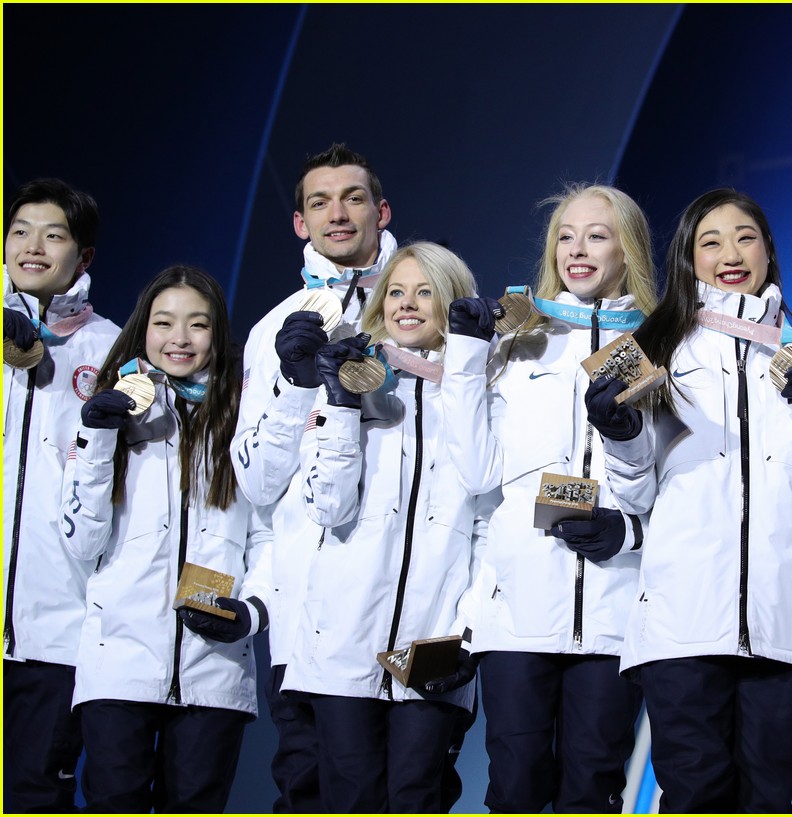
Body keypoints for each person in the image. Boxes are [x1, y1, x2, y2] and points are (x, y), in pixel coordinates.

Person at [588, 188, 792, 812]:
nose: (730, 254)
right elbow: (635, 494)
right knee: (694, 793)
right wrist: (622, 438)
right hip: (685, 622)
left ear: (768, 251)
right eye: (710, 241)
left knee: (769, 798)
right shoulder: (656, 355)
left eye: (745, 237)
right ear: (688, 260)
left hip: (784, 620)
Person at [441, 184, 655, 812]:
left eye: (597, 234)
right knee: (515, 786)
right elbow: (477, 471)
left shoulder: (658, 345)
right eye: (565, 235)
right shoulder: (517, 342)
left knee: (594, 787)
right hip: (519, 613)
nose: (577, 249)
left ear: (628, 247)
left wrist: (631, 534)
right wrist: (464, 356)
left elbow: (678, 483)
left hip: (617, 609)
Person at [279, 242, 484, 811]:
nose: (408, 304)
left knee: (417, 798)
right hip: (343, 645)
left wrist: (468, 634)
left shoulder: (479, 395)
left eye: (426, 292)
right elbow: (326, 508)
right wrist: (342, 409)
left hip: (434, 646)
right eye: (396, 291)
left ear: (452, 305)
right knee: (349, 799)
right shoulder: (343, 383)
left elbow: (491, 522)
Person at [60, 265, 270, 811]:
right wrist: (99, 438)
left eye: (197, 325)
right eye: (164, 322)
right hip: (120, 663)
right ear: (142, 329)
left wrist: (252, 610)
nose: (179, 339)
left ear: (217, 334)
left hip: (214, 667)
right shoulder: (109, 415)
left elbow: (269, 536)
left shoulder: (239, 420)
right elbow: (83, 542)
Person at [228, 143, 399, 812]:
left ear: (381, 211)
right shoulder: (273, 327)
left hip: (396, 599)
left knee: (397, 790)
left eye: (353, 197)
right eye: (319, 201)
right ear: (300, 222)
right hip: (303, 614)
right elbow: (258, 484)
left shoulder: (423, 309)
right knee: (304, 785)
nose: (338, 213)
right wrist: (295, 388)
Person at [3, 178, 120, 812]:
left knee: (34, 795)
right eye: (20, 231)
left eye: (54, 235)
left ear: (85, 255)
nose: (34, 247)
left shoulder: (114, 351)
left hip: (57, 628)